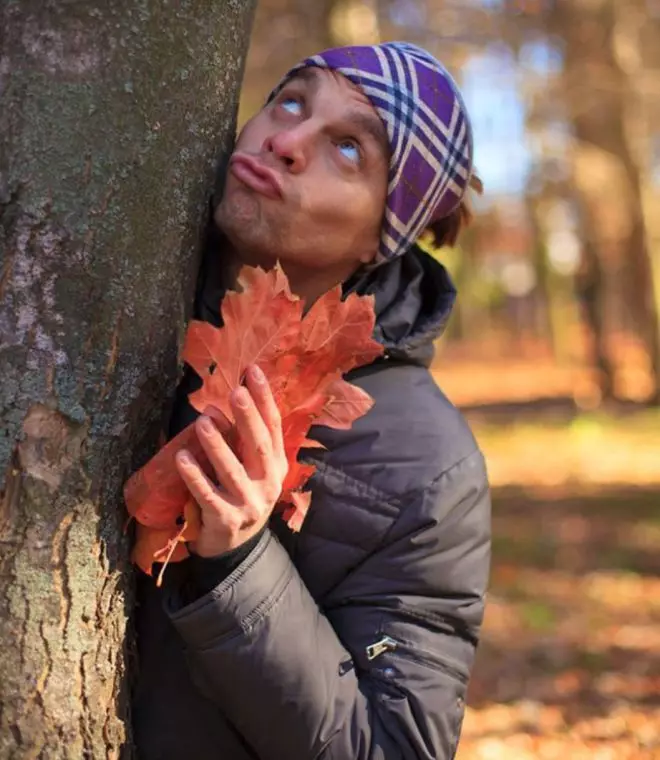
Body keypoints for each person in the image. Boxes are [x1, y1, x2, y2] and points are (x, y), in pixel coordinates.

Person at [133, 42, 491, 760]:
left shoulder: (429, 472)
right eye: (291, 100)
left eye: (349, 149)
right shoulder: (101, 293)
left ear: (380, 237)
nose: (286, 140)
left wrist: (240, 564)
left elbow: (393, 747)